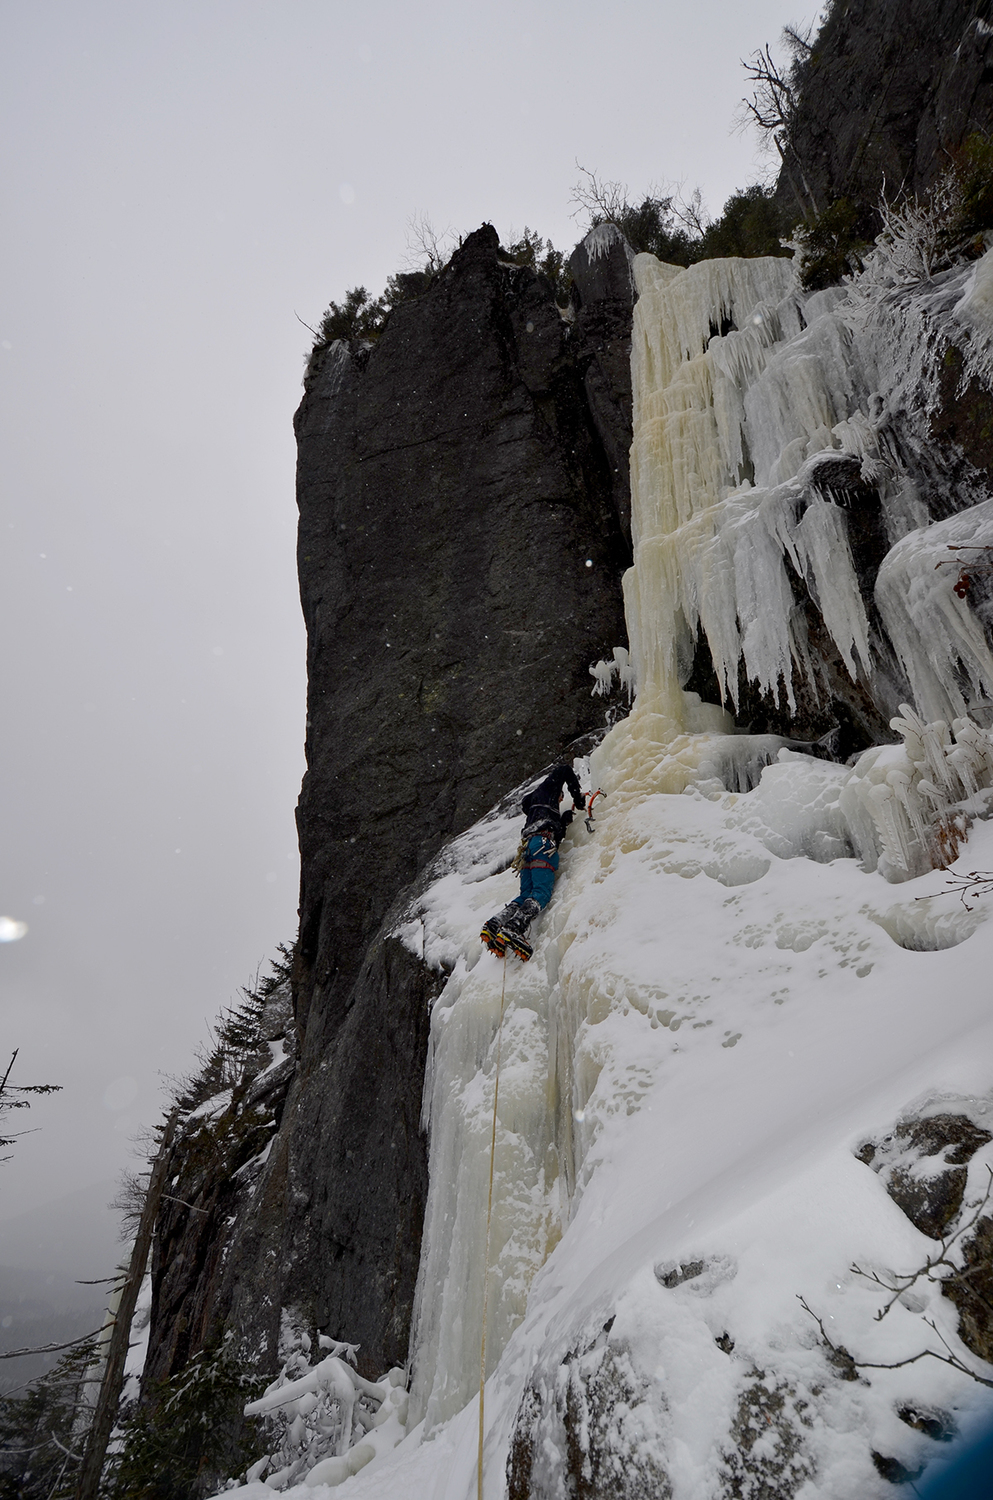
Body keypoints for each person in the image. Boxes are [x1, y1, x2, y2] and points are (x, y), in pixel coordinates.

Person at [481, 765, 586, 961]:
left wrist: (562, 823)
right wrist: (577, 796)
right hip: (542, 844)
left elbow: (549, 825)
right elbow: (564, 769)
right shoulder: (549, 789)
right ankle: (513, 929)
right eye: (561, 797)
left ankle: (494, 925)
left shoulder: (534, 808)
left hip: (527, 847)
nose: (561, 800)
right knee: (541, 894)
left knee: (525, 895)